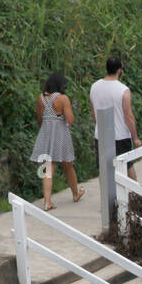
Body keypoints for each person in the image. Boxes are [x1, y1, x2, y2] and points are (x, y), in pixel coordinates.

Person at [29, 72, 84, 210]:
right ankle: (75, 193)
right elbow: (70, 120)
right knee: (68, 164)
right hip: (60, 135)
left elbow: (39, 119)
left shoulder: (40, 98)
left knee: (48, 167)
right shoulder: (63, 98)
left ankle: (47, 202)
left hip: (46, 134)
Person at [89, 54, 142, 181]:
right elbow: (129, 117)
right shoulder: (123, 90)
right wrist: (135, 138)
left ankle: (111, 199)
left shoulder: (94, 87)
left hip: (101, 134)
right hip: (120, 136)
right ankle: (135, 196)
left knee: (106, 170)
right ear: (119, 70)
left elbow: (94, 115)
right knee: (128, 167)